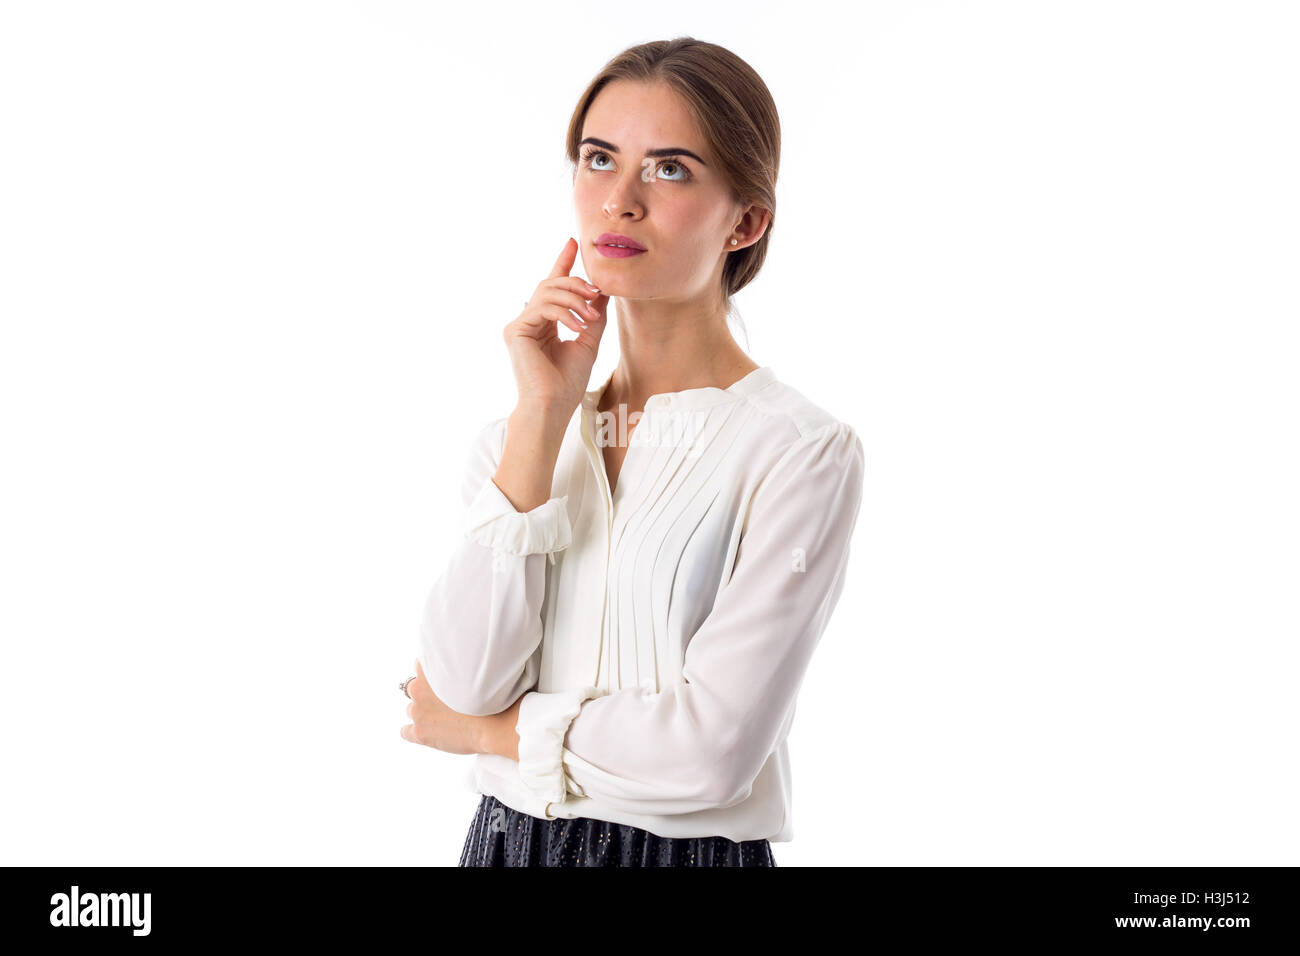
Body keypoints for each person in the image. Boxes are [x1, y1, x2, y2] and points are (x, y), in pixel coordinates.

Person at [400, 36, 865, 867]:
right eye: (599, 158)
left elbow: (711, 753)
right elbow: (462, 677)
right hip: (500, 850)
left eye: (670, 168)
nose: (618, 200)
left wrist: (489, 735)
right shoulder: (516, 443)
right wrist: (543, 416)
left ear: (747, 221)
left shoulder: (798, 452)